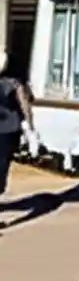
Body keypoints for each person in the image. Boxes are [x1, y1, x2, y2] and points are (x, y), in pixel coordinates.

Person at [0, 51, 36, 197]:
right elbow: (25, 105)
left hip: (8, 127)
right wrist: (30, 126)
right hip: (9, 129)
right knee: (3, 162)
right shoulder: (15, 83)